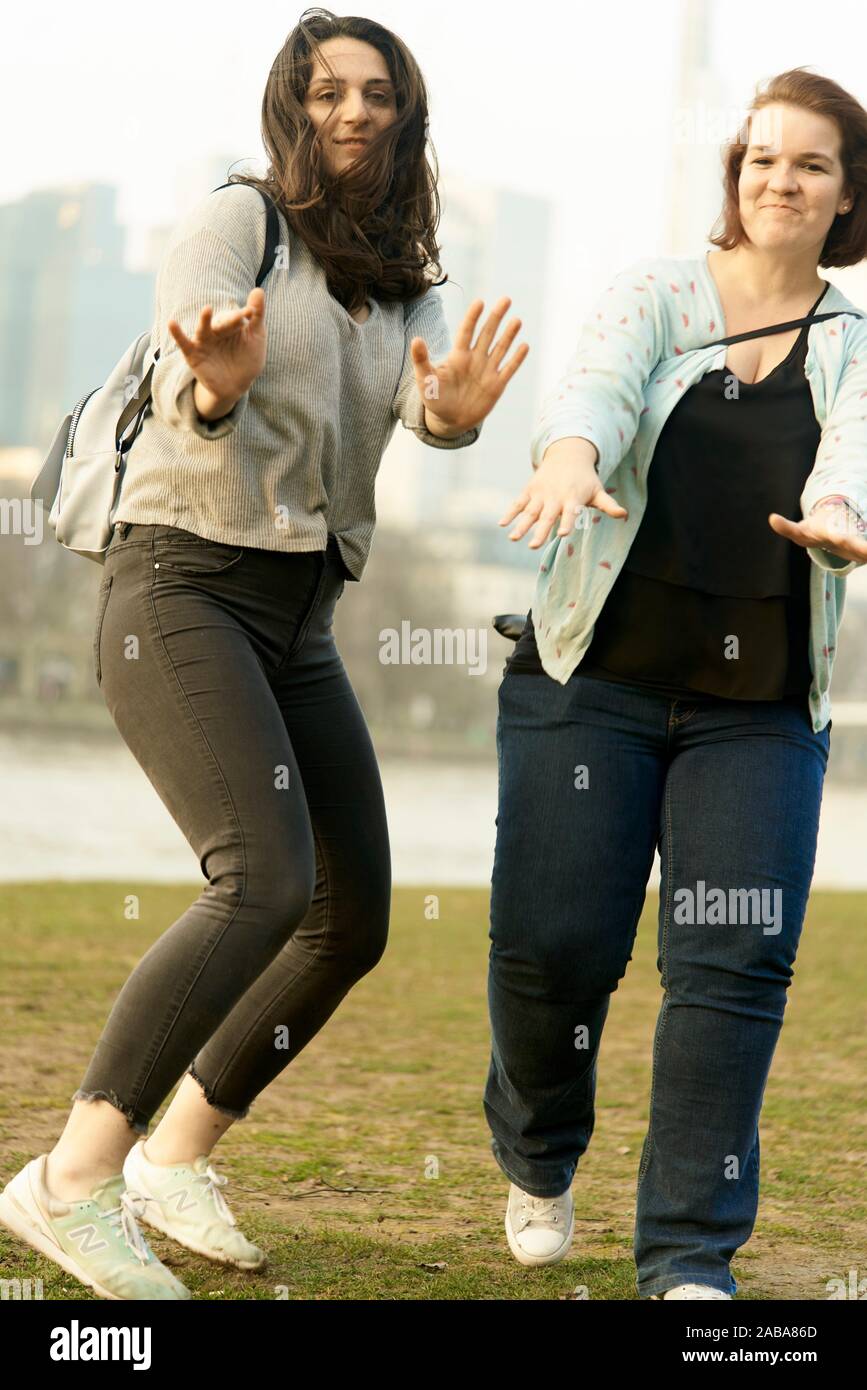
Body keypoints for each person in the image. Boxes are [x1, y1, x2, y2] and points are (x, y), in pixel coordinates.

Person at [0, 9, 527, 1300]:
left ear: (403, 118)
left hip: (298, 619)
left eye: (374, 94)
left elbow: (423, 395)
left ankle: (177, 1154)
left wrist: (452, 420)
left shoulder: (401, 267)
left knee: (349, 915)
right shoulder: (235, 219)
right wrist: (216, 384)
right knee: (259, 879)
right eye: (325, 91)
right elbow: (195, 358)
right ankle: (69, 1177)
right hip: (178, 581)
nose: (350, 111)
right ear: (291, 110)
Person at [486, 67, 867, 1301]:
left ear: (848, 193)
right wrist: (568, 456)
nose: (782, 181)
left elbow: (856, 446)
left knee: (733, 959)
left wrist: (837, 503)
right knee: (556, 949)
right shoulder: (656, 293)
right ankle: (539, 1155)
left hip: (755, 714)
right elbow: (593, 384)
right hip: (589, 679)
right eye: (763, 158)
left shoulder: (858, 343)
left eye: (812, 164)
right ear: (735, 173)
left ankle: (690, 1255)